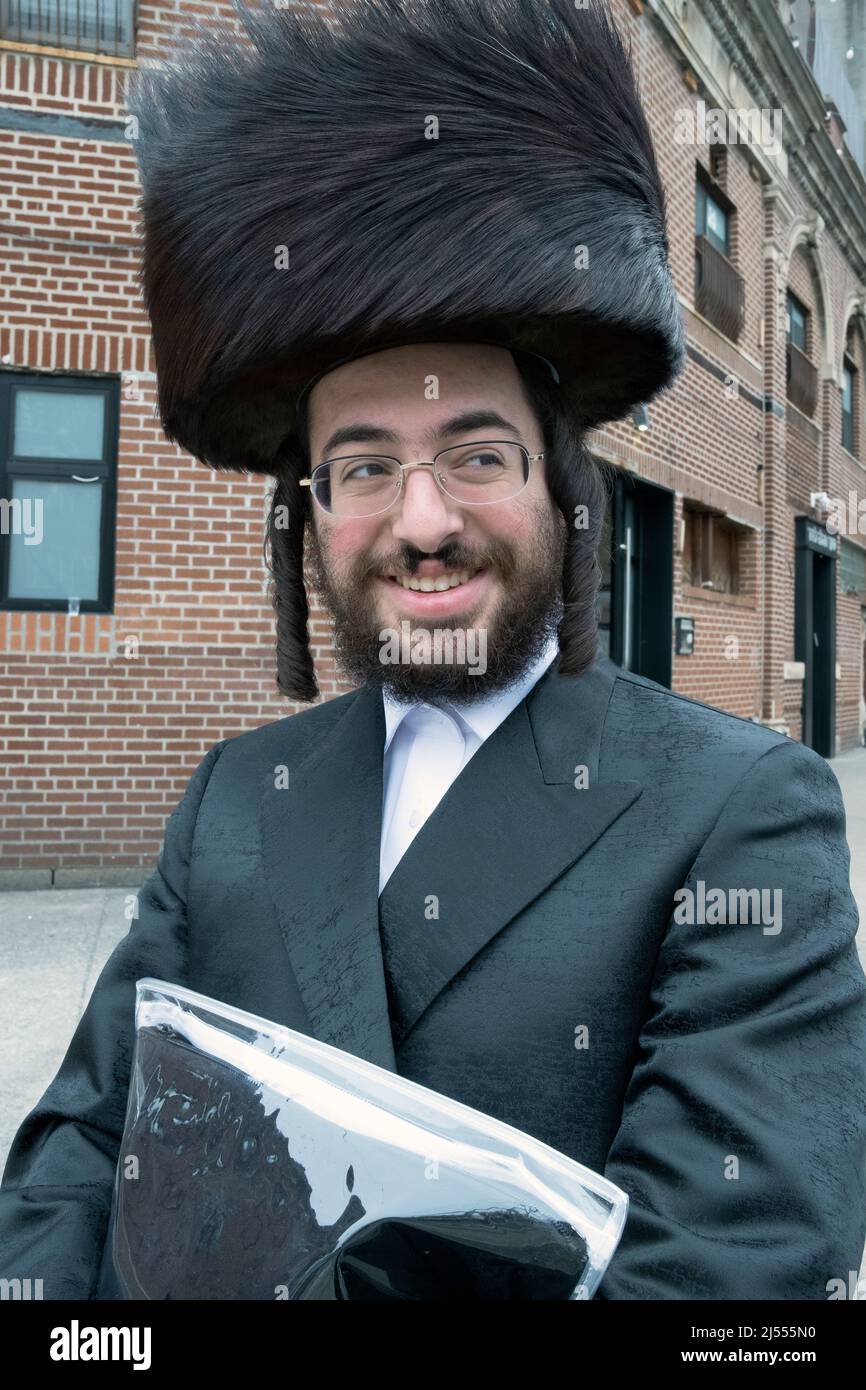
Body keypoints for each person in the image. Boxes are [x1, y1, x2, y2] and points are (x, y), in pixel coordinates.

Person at [1, 0, 864, 1300]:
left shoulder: (737, 814)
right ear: (311, 516)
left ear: (559, 489)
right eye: (362, 466)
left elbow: (724, 1276)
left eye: (473, 453)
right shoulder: (234, 794)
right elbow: (80, 1149)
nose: (420, 522)